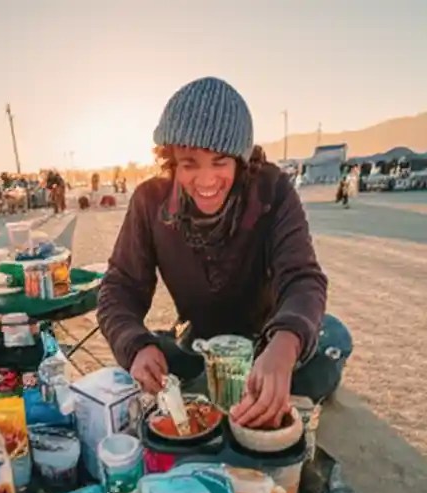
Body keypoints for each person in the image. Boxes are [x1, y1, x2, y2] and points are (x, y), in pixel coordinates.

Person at [97, 76, 352, 429]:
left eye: (219, 162)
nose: (205, 180)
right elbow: (119, 287)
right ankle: (239, 390)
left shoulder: (272, 191)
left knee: (332, 341)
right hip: (199, 345)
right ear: (171, 161)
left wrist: (283, 347)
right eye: (189, 163)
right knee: (148, 361)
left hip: (266, 339)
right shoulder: (150, 201)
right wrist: (136, 346)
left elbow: (302, 278)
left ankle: (272, 382)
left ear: (240, 160)